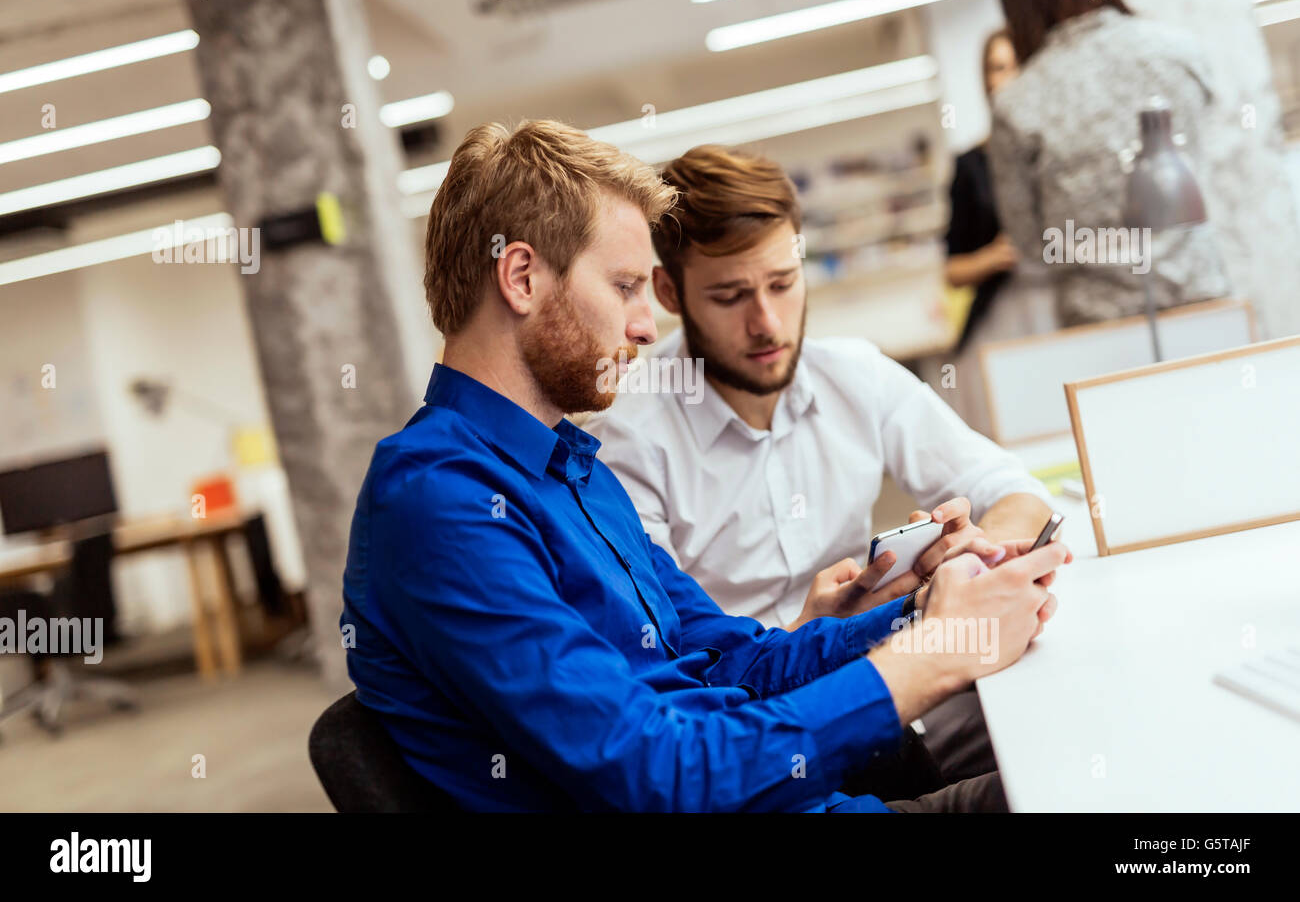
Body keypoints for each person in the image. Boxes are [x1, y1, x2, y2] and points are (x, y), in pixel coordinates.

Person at [340, 118, 1070, 812]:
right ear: (523, 278)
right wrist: (939, 653)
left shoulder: (572, 468)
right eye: (625, 286)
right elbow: (658, 776)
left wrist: (921, 611)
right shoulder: (440, 503)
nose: (644, 325)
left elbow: (728, 660)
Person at [584, 143, 1056, 785]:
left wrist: (977, 555)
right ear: (668, 291)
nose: (766, 322)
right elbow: (672, 671)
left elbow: (1014, 490)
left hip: (888, 686)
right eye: (729, 296)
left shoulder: (852, 375)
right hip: (763, 739)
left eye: (782, 283)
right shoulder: (628, 441)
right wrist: (806, 632)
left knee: (1059, 748)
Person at [987, 0, 1230, 326]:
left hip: (1098, 326)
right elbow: (1212, 162)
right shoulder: (1180, 53)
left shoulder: (1017, 104)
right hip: (1203, 299)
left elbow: (1029, 242)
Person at [936, 28, 1058, 436]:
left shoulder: (1060, 155)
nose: (1003, 78)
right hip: (1004, 320)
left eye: (1013, 66)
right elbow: (952, 271)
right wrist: (995, 255)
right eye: (995, 68)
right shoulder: (971, 166)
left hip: (1064, 309)